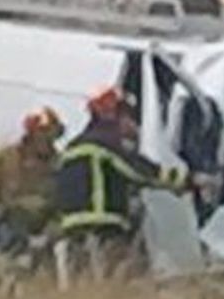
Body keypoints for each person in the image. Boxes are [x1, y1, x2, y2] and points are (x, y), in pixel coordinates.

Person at [55, 85, 190, 280]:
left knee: (83, 291)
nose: (133, 124)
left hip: (73, 230)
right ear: (113, 115)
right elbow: (139, 171)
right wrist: (185, 180)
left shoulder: (72, 147)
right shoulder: (107, 142)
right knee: (118, 283)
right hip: (104, 227)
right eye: (128, 116)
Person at [0, 107, 64, 254]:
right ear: (31, 132)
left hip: (46, 231)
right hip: (8, 227)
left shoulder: (60, 164)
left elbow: (63, 202)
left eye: (53, 132)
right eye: (43, 131)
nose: (48, 137)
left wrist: (51, 231)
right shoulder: (5, 157)